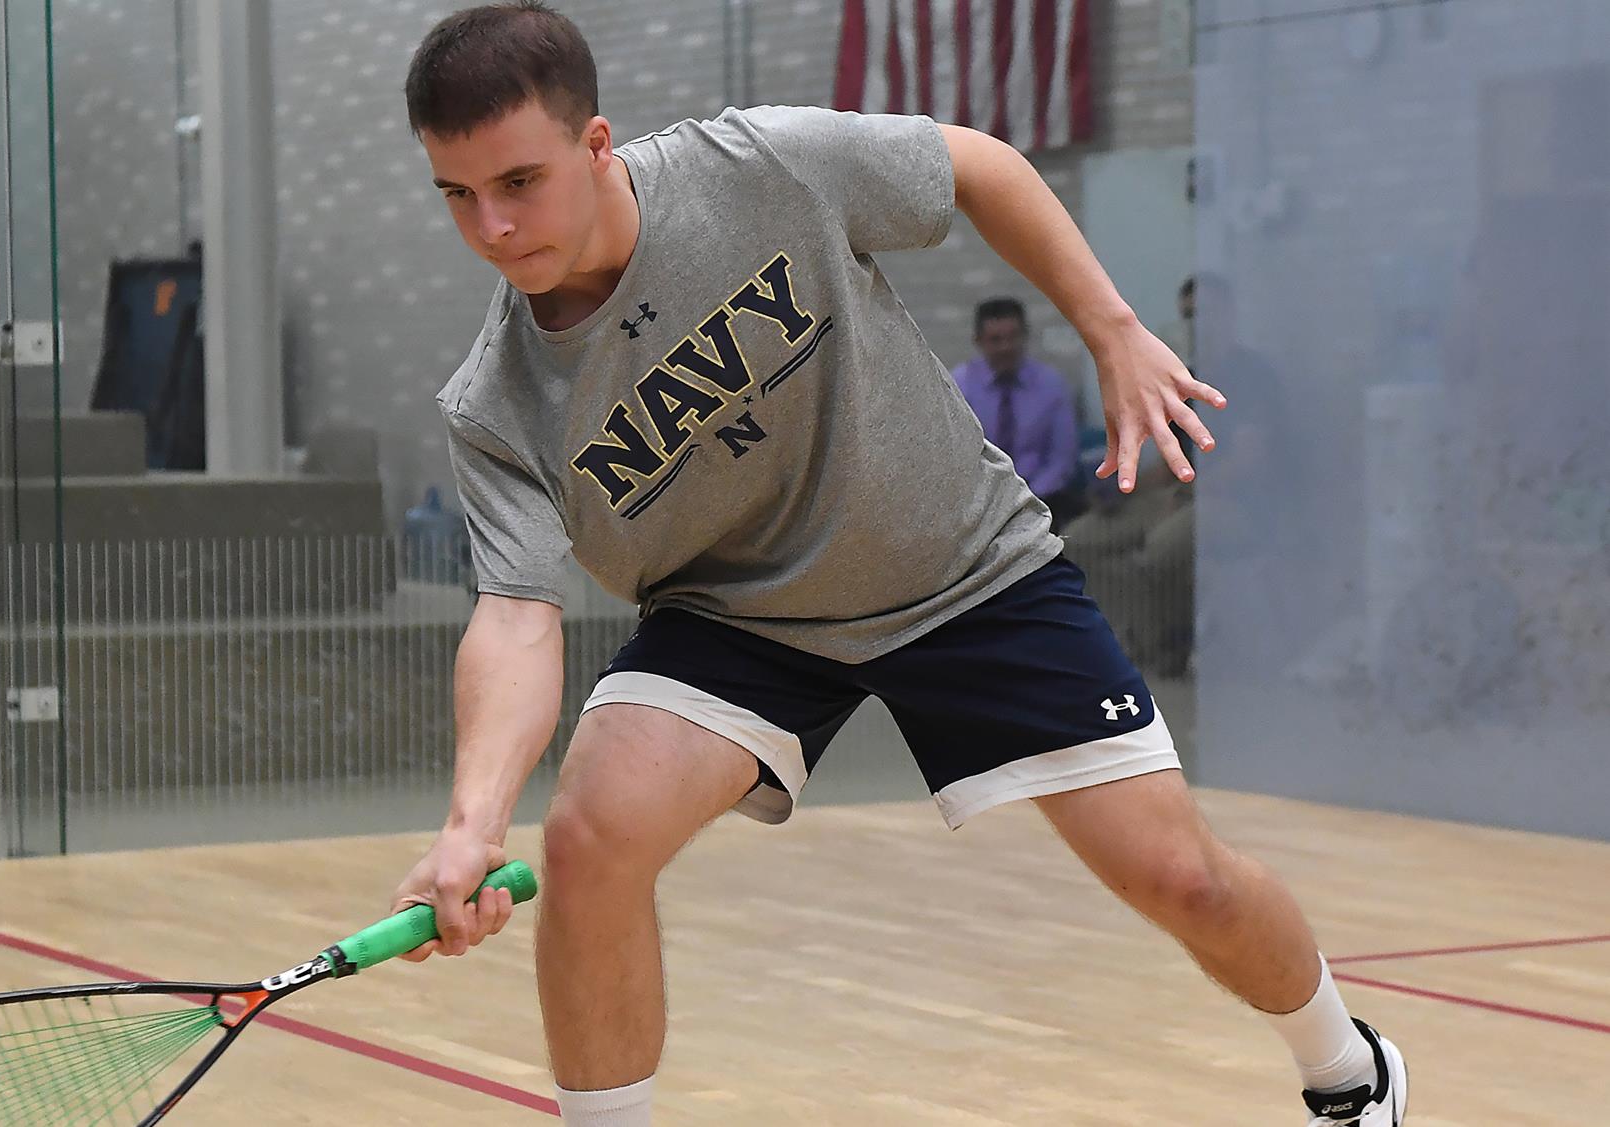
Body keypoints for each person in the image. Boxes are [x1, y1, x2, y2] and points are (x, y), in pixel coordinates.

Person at [388, 5, 1408, 1126]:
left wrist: (1112, 327)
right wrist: (471, 826)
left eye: (517, 183)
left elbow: (971, 164)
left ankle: (1349, 1069)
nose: (489, 225)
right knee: (588, 835)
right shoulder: (496, 401)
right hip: (736, 615)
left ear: (595, 145)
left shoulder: (757, 166)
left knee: (1182, 878)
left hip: (963, 569)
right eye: (456, 195)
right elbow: (517, 614)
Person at [951, 297, 1086, 529]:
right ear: (978, 341)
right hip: (977, 504)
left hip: (1042, 502)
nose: (1006, 347)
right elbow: (955, 455)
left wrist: (1027, 500)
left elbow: (1061, 459)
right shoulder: (959, 386)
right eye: (996, 340)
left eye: (1012, 338)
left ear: (1025, 336)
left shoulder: (1050, 385)